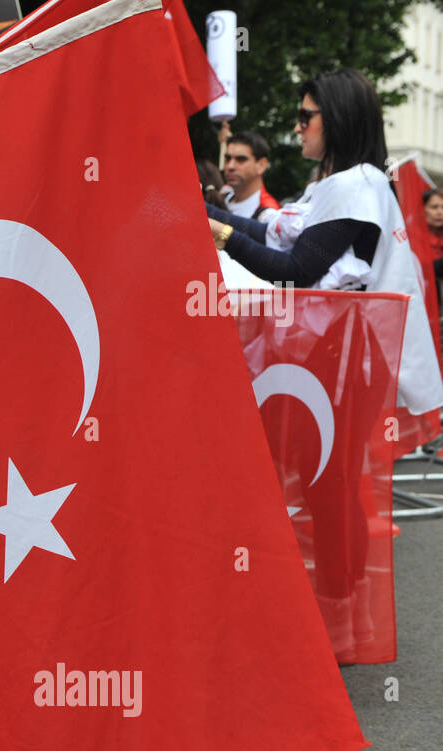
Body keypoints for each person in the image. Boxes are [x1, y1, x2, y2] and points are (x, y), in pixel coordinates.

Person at [208, 68, 443, 661]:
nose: (297, 126)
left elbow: (294, 271)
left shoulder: (355, 186)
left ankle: (341, 622)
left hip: (345, 360)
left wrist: (217, 230)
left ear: (334, 119)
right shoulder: (343, 184)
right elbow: (274, 233)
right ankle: (348, 617)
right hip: (338, 358)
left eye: (305, 116)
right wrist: (213, 217)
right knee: (331, 491)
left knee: (329, 491)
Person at [221, 130, 280, 224]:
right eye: (228, 159)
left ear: (261, 165)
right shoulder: (220, 199)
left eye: (241, 159)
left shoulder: (270, 214)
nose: (230, 166)